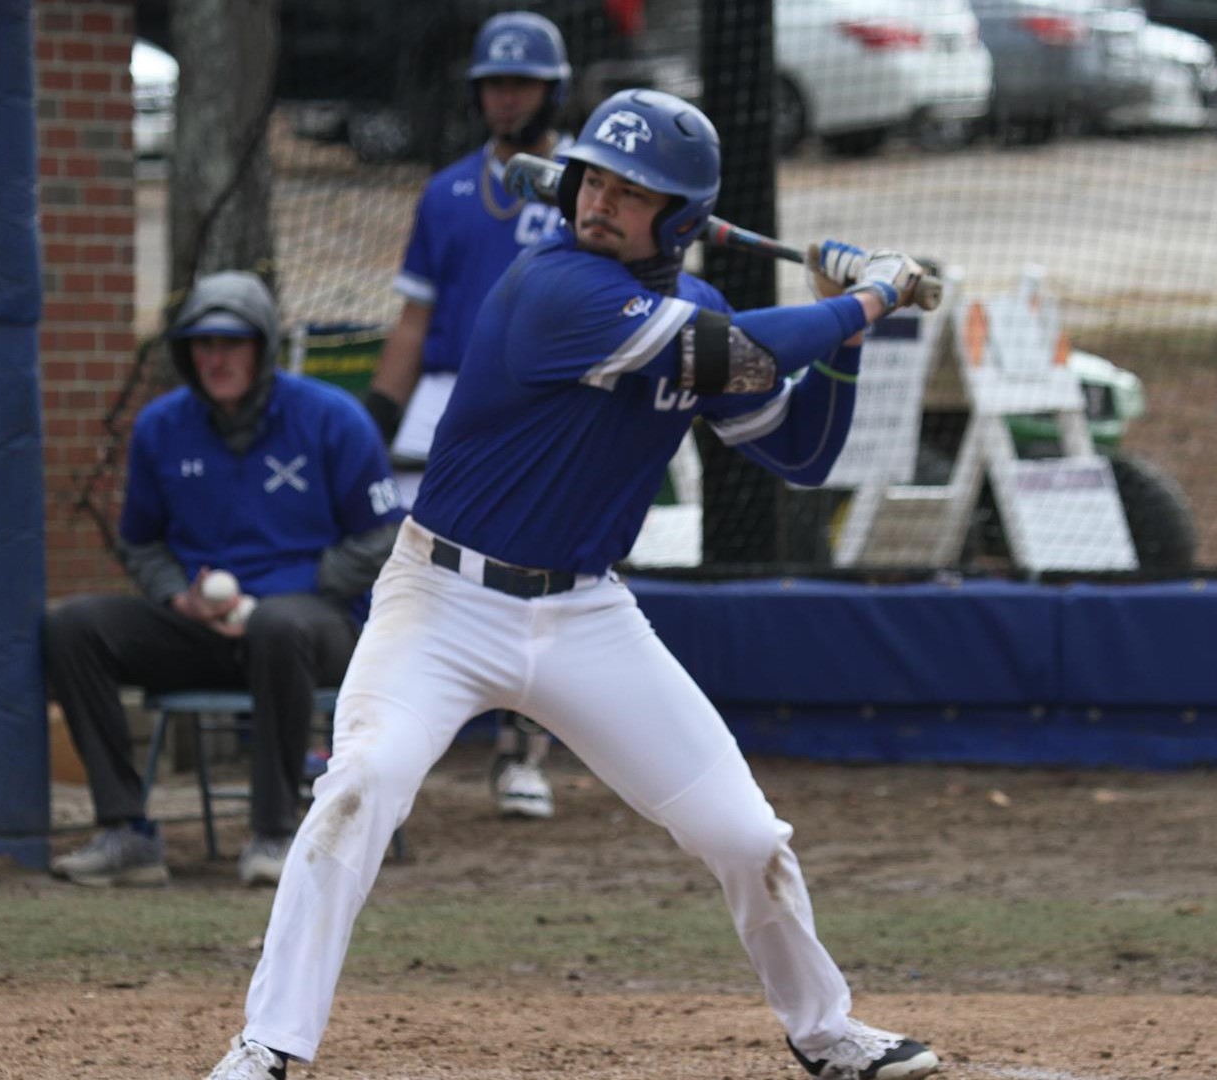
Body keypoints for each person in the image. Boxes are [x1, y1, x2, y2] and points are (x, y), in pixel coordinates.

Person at [201, 89, 942, 1080]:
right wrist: (867, 299)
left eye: (631, 192)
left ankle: (825, 1030)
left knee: (745, 833)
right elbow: (731, 352)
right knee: (362, 784)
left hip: (586, 612)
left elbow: (802, 455)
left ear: (680, 219)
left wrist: (845, 342)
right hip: (442, 600)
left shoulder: (697, 309)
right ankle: (267, 1045)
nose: (599, 201)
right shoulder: (551, 286)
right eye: (594, 179)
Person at [45, 271, 405, 887]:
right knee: (72, 626)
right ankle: (126, 832)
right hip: (203, 630)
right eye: (203, 344)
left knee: (277, 626)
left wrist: (300, 582)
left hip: (312, 623)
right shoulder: (160, 428)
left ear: (263, 346)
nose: (217, 358)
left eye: (233, 343)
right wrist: (175, 597)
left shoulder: (332, 418)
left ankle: (274, 834)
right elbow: (141, 542)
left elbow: (385, 537)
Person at [369, 10, 576, 820]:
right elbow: (412, 321)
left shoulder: (591, 191)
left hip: (543, 403)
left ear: (551, 91)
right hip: (444, 394)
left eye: (521, 83)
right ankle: (388, 740)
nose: (505, 98)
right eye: (494, 83)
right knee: (404, 560)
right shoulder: (446, 191)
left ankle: (523, 750)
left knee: (538, 571)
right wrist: (378, 415)